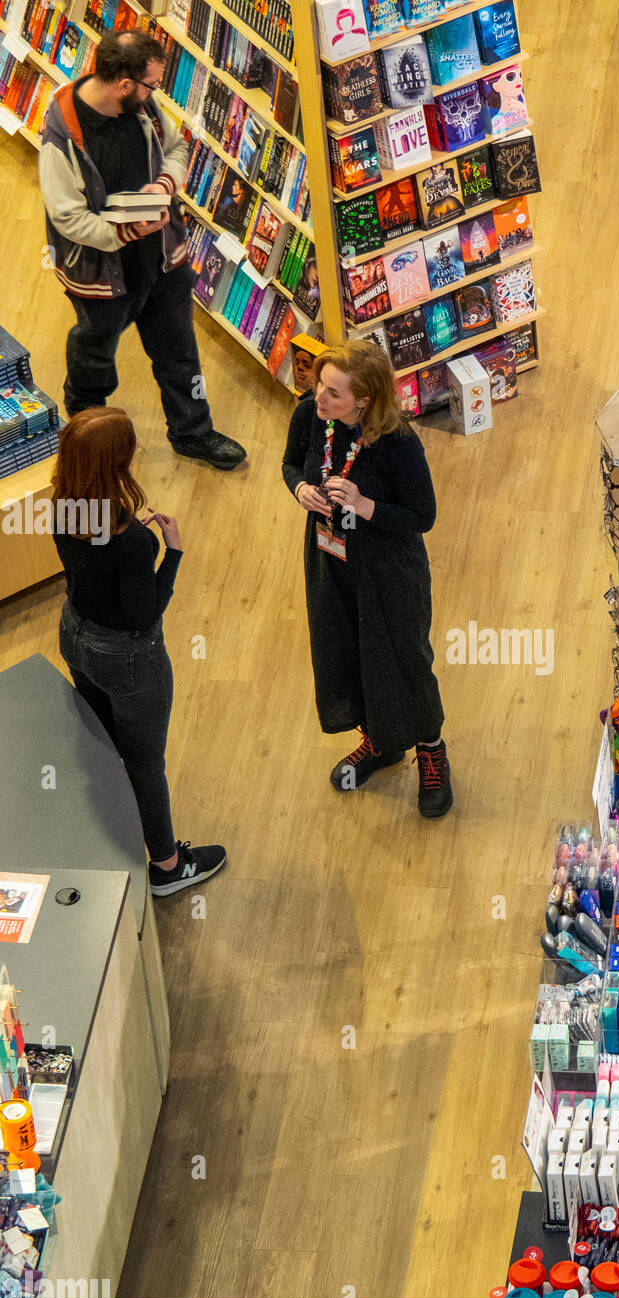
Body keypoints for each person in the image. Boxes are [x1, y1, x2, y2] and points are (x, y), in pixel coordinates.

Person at [39, 30, 246, 471]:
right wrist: (125, 233)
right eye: (151, 83)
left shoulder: (144, 106)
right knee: (94, 352)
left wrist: (165, 184)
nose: (157, 92)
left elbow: (176, 148)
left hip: (163, 258)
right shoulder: (63, 134)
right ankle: (87, 432)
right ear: (124, 83)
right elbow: (67, 217)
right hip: (100, 268)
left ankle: (194, 433)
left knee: (179, 351)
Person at [51, 407, 227, 896]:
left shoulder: (62, 506)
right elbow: (144, 615)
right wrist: (171, 552)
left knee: (102, 742)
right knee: (147, 764)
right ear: (117, 462)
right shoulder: (133, 542)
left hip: (75, 634)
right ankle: (169, 868)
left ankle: (112, 831)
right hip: (128, 659)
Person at [282, 341, 453, 818]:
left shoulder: (398, 444)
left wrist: (363, 505)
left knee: (405, 660)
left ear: (364, 401)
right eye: (320, 385)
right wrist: (300, 488)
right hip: (328, 560)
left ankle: (430, 750)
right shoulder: (310, 416)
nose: (319, 398)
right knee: (346, 651)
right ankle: (379, 741)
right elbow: (291, 463)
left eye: (333, 393)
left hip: (388, 570)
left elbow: (423, 516)